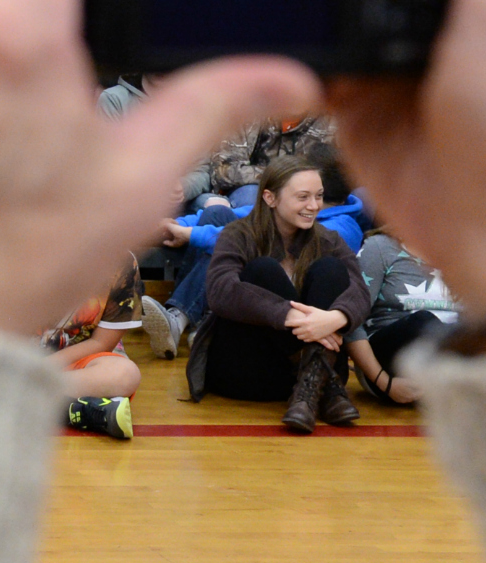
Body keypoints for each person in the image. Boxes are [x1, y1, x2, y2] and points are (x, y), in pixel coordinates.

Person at [192, 157, 369, 431]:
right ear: (270, 198)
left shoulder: (328, 239)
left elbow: (360, 290)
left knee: (331, 269)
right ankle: (324, 387)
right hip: (246, 371)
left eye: (319, 196)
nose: (314, 206)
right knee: (263, 270)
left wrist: (335, 318)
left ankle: (312, 385)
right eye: (303, 197)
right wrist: (291, 315)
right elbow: (220, 290)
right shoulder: (237, 234)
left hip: (306, 381)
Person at [350, 232, 457, 404]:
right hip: (387, 362)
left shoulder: (469, 251)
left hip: (450, 360)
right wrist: (384, 383)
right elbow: (351, 322)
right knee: (424, 321)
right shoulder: (380, 248)